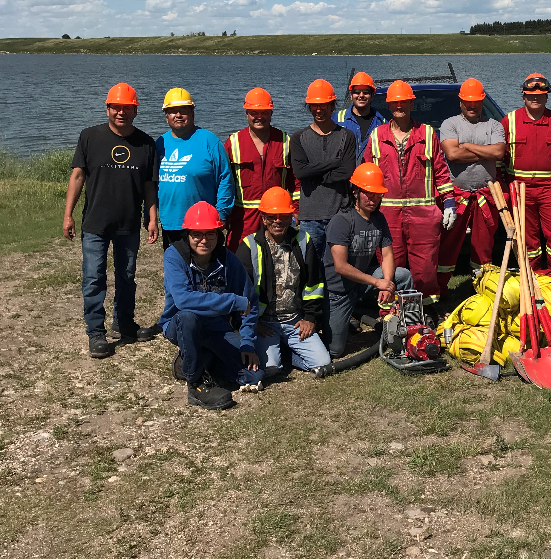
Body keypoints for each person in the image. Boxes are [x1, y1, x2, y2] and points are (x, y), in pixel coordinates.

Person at [63, 83, 159, 358]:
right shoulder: (90, 137)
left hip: (128, 224)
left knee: (127, 277)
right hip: (95, 223)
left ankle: (124, 323)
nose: (121, 112)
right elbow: (78, 176)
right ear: (107, 108)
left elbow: (150, 186)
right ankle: (96, 332)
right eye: (116, 107)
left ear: (135, 111)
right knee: (94, 277)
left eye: (127, 108)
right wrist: (68, 214)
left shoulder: (145, 143)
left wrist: (152, 218)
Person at [161, 201, 261, 409]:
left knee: (254, 375)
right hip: (181, 325)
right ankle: (195, 383)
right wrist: (232, 302)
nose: (203, 240)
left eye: (210, 234)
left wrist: (248, 342)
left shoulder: (229, 260)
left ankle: (195, 361)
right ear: (187, 234)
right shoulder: (174, 256)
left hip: (217, 328)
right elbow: (183, 300)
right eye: (197, 234)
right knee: (188, 316)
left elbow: (249, 300)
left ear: (219, 234)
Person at [364, 80, 455, 306]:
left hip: (424, 215)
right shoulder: (377, 137)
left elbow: (441, 172)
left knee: (424, 267)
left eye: (404, 102)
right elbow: (367, 175)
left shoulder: (427, 134)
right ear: (389, 106)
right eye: (395, 103)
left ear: (411, 104)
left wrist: (449, 203)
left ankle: (424, 311)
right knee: (391, 267)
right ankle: (391, 313)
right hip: (387, 215)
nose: (399, 107)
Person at [322, 163, 413, 359]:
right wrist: (377, 282)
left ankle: (405, 325)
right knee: (336, 351)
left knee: (403, 276)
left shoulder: (378, 219)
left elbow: (388, 254)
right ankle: (347, 312)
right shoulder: (341, 221)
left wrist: (387, 284)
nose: (373, 199)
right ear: (355, 192)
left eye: (377, 194)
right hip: (339, 290)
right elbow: (341, 266)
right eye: (368, 193)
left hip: (362, 284)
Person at [236, 186, 331, 374]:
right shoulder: (249, 247)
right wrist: (254, 324)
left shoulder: (304, 241)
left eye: (283, 216)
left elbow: (314, 283)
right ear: (263, 217)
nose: (277, 221)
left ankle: (287, 352)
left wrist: (310, 317)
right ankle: (281, 354)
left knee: (323, 364)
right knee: (271, 369)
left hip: (295, 320)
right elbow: (239, 294)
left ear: (291, 217)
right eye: (272, 216)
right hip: (264, 323)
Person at [501, 73, 551, 274]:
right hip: (520, 188)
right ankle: (531, 276)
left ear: (547, 97)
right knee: (527, 237)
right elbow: (499, 157)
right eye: (530, 95)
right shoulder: (509, 120)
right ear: (523, 97)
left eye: (540, 95)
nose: (535, 98)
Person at [437, 78, 505, 294]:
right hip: (457, 195)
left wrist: (467, 145)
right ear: (460, 102)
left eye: (476, 102)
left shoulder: (494, 125)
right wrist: (484, 151)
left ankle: (482, 289)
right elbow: (452, 154)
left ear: (482, 101)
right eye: (468, 102)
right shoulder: (450, 124)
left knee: (484, 247)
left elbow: (498, 153)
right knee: (448, 244)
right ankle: (439, 289)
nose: (472, 106)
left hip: (487, 195)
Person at [156, 88, 235, 247]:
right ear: (166, 117)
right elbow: (151, 183)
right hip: (171, 222)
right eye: (172, 111)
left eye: (183, 110)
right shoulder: (160, 144)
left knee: (207, 268)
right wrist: (150, 216)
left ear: (192, 113)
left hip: (204, 222)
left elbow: (225, 179)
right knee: (177, 268)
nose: (178, 115)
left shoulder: (209, 141)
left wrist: (221, 213)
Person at [290, 79, 357, 262]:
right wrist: (333, 162)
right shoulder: (298, 138)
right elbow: (301, 172)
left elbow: (347, 172)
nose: (319, 110)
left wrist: (315, 174)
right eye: (314, 106)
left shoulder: (346, 136)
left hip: (340, 214)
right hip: (310, 217)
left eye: (324, 105)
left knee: (341, 267)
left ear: (332, 105)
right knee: (311, 269)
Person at [224, 87, 296, 252]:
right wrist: (225, 213)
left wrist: (296, 209)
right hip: (243, 218)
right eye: (254, 112)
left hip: (276, 217)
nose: (259, 117)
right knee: (241, 260)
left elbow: (295, 181)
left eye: (264, 112)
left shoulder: (285, 141)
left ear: (271, 113)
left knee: (276, 259)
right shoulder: (233, 142)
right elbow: (223, 181)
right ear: (246, 114)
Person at [336, 71, 386, 163]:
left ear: (372, 96)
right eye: (357, 92)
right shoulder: (337, 120)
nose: (361, 95)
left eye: (366, 92)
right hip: (345, 176)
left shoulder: (382, 123)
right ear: (351, 96)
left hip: (372, 176)